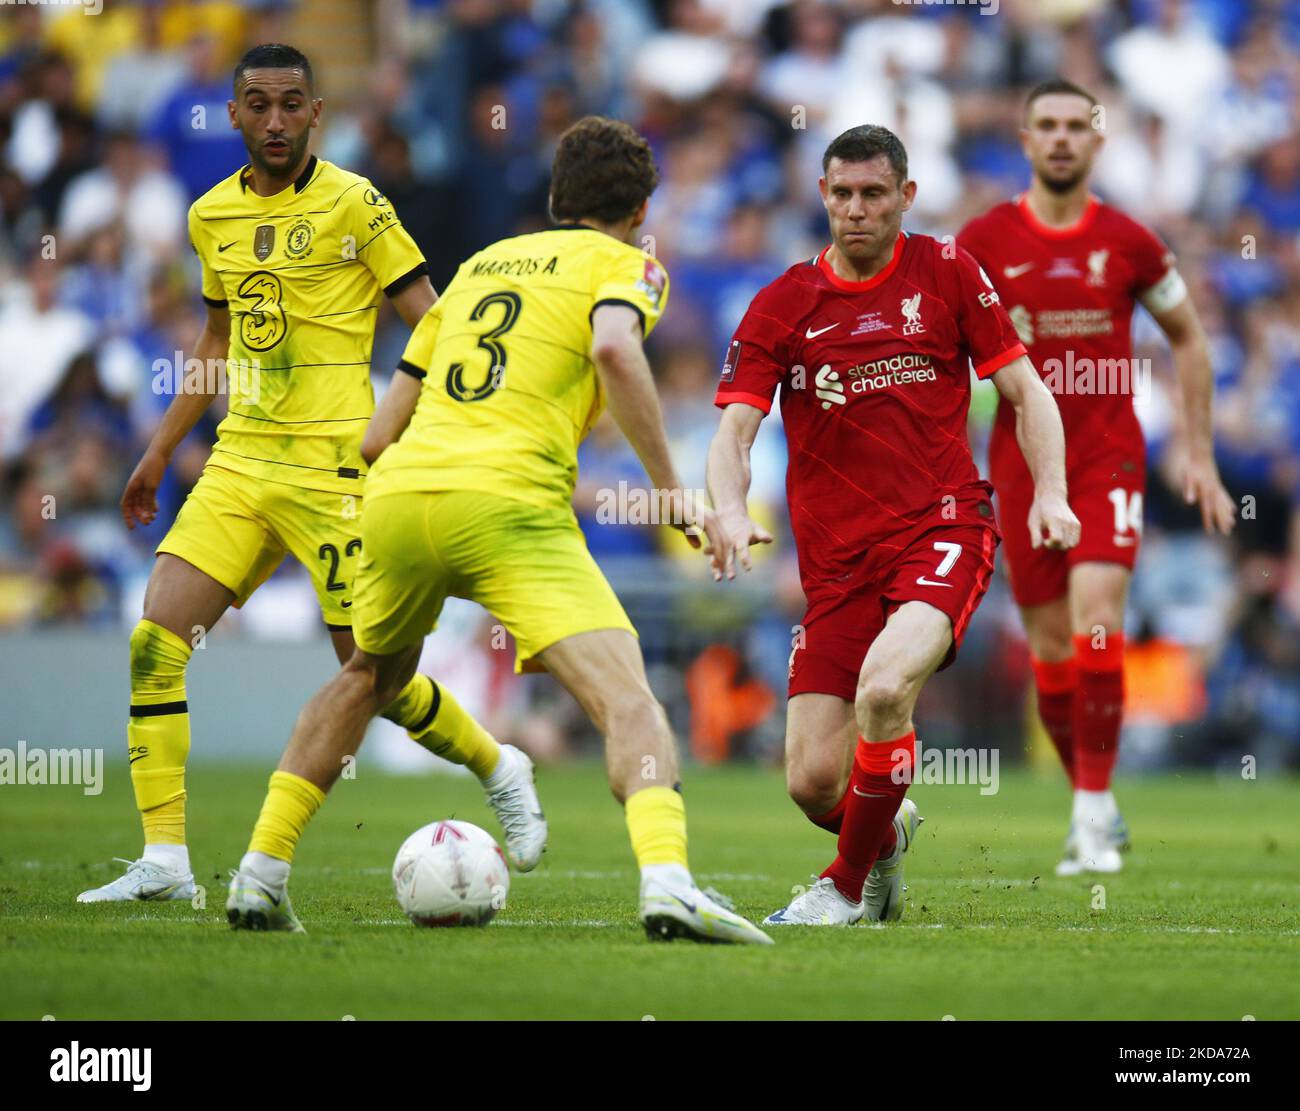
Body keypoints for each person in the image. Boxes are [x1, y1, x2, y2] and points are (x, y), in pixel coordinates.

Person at [225, 116, 772, 946]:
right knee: (628, 699)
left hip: (401, 497)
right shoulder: (630, 266)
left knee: (367, 676)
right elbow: (615, 349)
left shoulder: (479, 268)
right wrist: (671, 492)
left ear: (555, 199)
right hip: (512, 505)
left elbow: (376, 437)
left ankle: (260, 873)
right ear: (642, 210)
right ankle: (668, 882)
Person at [80, 44, 545, 904]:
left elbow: (432, 318)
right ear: (232, 114)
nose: (276, 120)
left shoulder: (356, 202)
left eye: (292, 104)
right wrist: (158, 450)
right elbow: (217, 338)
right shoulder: (210, 215)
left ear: (317, 113)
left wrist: (417, 421)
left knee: (377, 679)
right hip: (240, 460)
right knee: (155, 643)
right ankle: (165, 861)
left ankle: (498, 764)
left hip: (337, 468)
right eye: (258, 104)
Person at [707, 124, 1079, 926]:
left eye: (874, 193)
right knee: (813, 782)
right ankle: (883, 833)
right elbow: (734, 431)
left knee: (884, 687)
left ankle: (842, 889)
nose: (856, 209)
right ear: (822, 195)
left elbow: (1028, 392)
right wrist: (730, 508)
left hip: (944, 528)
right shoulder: (783, 303)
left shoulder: (947, 271)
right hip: (837, 566)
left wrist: (1051, 494)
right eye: (841, 193)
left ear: (906, 196)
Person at [957, 79, 1235, 875]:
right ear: (1025, 140)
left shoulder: (1129, 241)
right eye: (1046, 125)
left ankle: (1089, 813)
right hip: (1020, 463)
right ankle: (1093, 799)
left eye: (1076, 125)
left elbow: (1189, 336)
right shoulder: (983, 240)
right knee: (1051, 650)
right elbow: (946, 350)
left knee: (1098, 618)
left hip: (1108, 454)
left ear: (1097, 140)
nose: (1061, 138)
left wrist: (1199, 451)